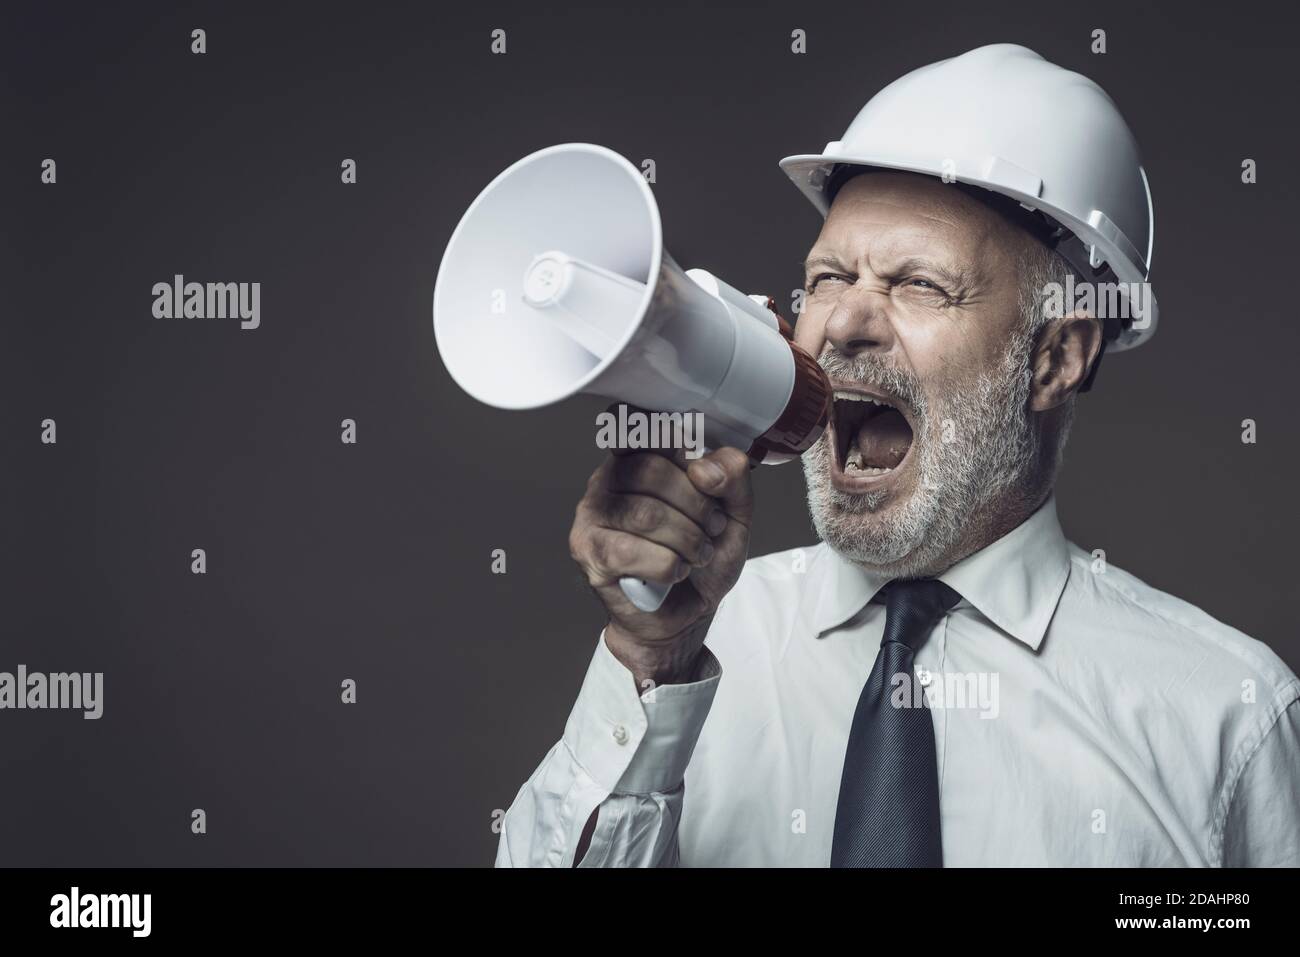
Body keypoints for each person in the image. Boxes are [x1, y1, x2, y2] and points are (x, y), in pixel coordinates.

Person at [494, 45, 1300, 867]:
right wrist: (650, 663)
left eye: (921, 285)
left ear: (1057, 358)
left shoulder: (1226, 715)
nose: (843, 323)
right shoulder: (695, 647)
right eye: (831, 277)